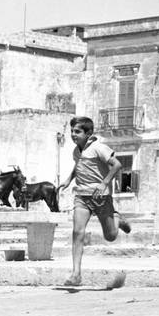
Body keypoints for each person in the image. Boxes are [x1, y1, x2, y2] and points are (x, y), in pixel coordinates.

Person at [59, 116, 131, 287]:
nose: (73, 135)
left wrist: (104, 182)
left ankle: (117, 220)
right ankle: (76, 274)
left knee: (111, 236)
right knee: (77, 232)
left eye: (77, 132)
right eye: (72, 131)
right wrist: (69, 179)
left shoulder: (99, 148)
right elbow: (79, 165)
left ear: (88, 133)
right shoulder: (76, 151)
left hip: (101, 197)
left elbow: (117, 165)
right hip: (82, 196)